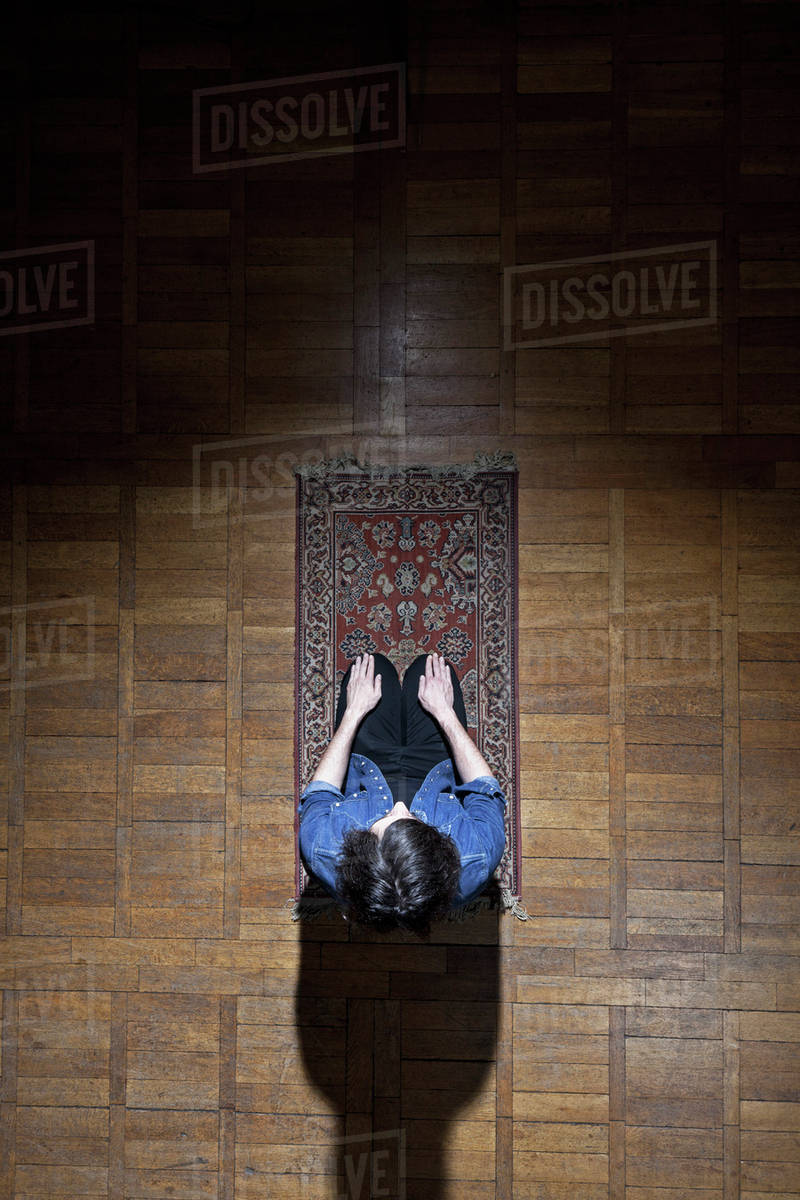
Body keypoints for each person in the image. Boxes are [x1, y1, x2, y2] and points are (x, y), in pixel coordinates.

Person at [298, 651, 506, 936]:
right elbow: (484, 789)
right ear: (441, 847)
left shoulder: (323, 850)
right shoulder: (477, 858)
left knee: (374, 664)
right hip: (436, 766)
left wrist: (354, 712)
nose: (399, 807)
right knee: (428, 667)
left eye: (388, 820)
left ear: (358, 847)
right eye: (411, 820)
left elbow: (322, 793)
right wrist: (444, 713)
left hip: (367, 764)